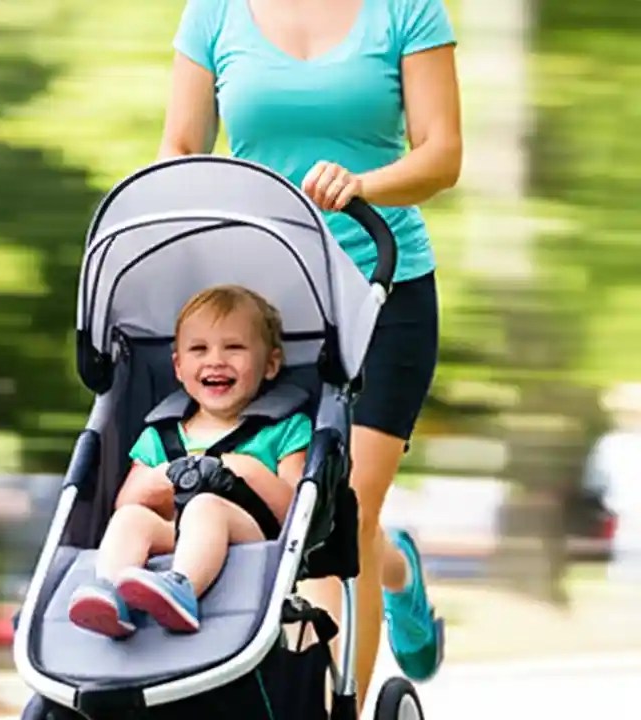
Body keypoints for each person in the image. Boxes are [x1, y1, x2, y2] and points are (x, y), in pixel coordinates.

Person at [155, 0, 462, 705]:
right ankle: (395, 570)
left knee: (343, 509)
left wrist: (364, 185)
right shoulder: (215, 15)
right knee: (294, 501)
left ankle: (333, 706)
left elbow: (441, 154)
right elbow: (180, 147)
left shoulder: (406, 12)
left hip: (384, 291)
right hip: (265, 303)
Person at [67, 285, 311, 637]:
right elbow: (125, 501)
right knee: (132, 518)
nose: (215, 360)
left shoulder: (285, 429)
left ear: (271, 364)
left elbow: (297, 512)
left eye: (235, 348)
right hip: (174, 534)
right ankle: (109, 593)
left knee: (206, 507)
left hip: (250, 539)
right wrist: (165, 476)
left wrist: (251, 471)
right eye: (199, 349)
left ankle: (183, 588)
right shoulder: (159, 435)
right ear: (179, 368)